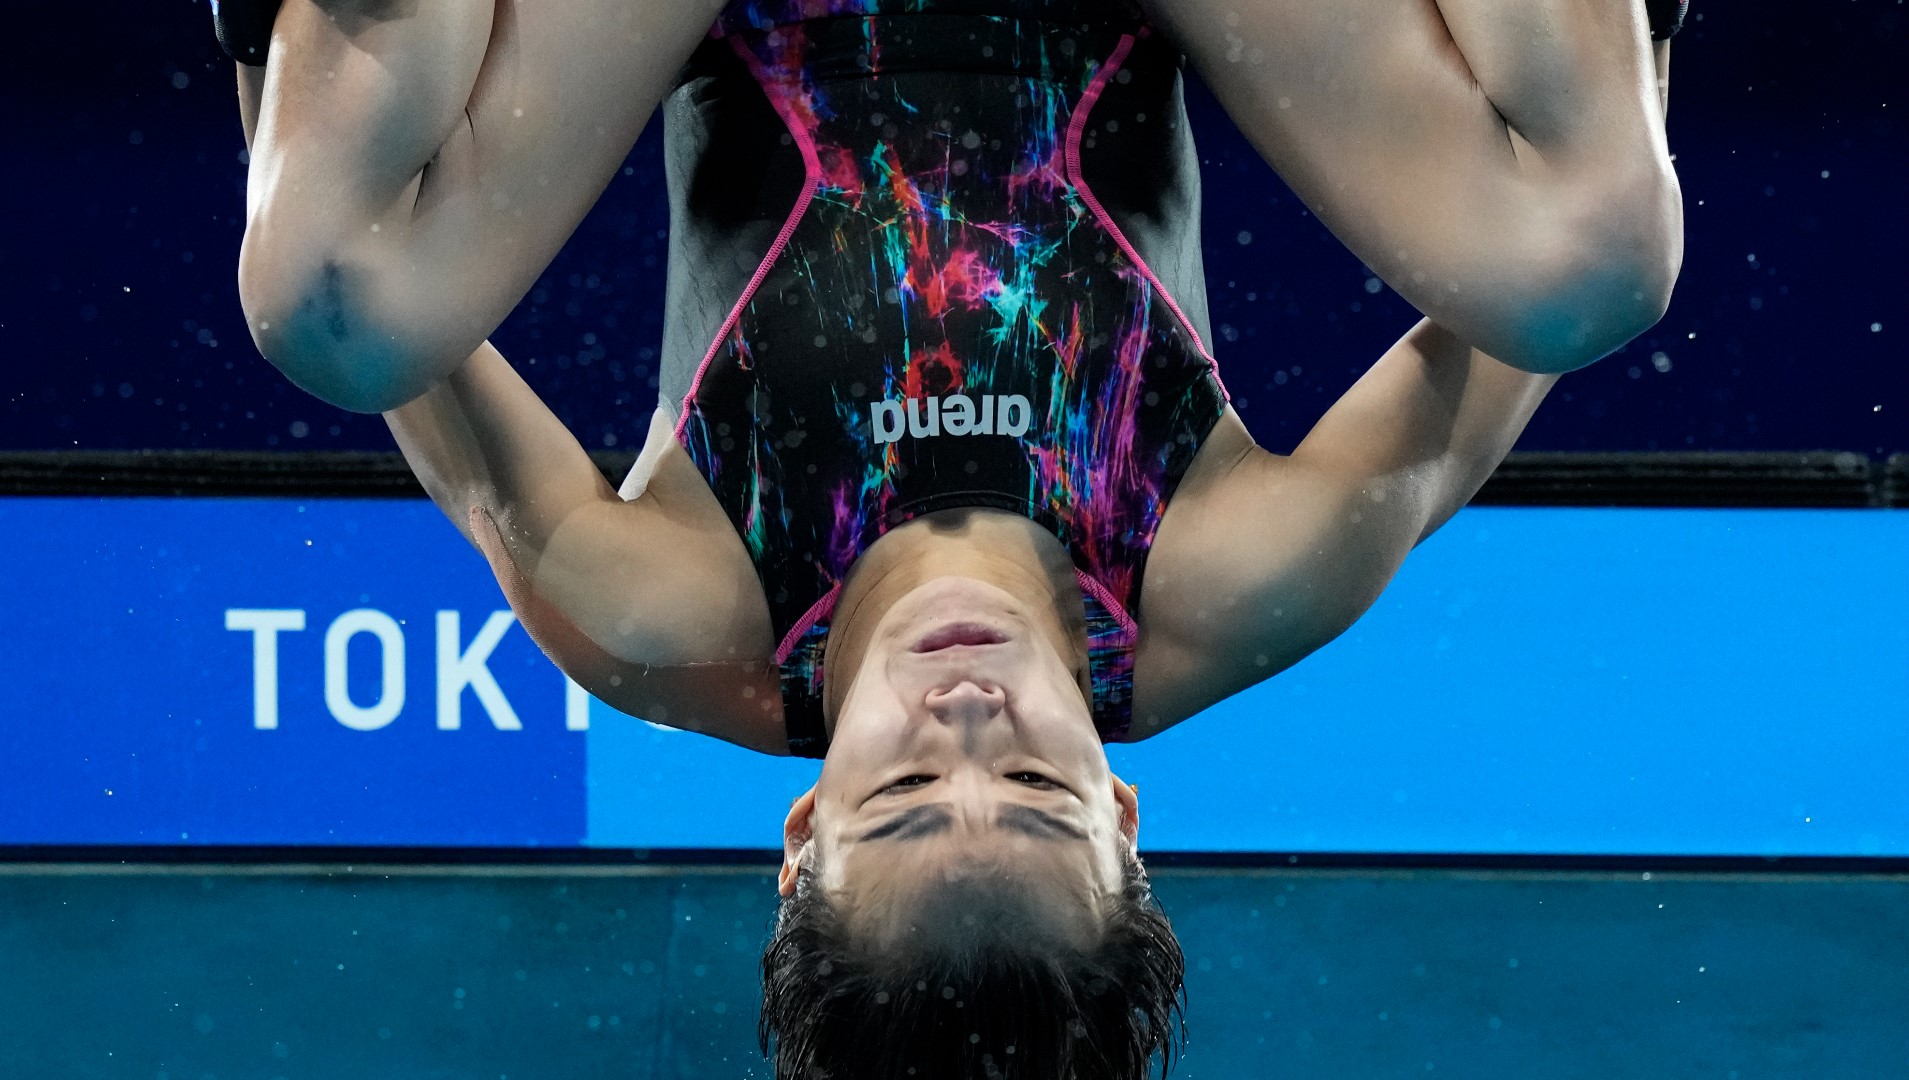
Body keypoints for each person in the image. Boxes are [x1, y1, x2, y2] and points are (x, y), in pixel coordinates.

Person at [222, 0, 1683, 1075]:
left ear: (802, 840)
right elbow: (1523, 344)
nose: (968, 716)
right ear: (1121, 812)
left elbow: (396, 353)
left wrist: (286, 90)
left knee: (337, 313)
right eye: (1037, 786)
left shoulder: (673, 615)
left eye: (910, 791)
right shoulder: (1225, 582)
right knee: (1588, 267)